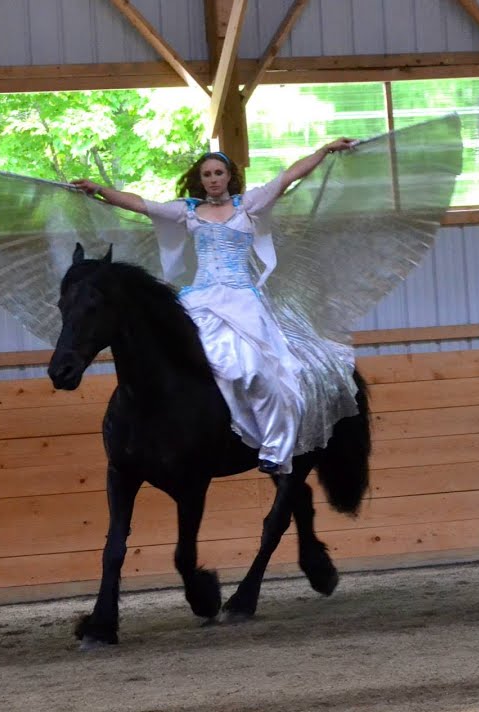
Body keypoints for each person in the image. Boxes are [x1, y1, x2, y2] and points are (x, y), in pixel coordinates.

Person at [71, 138, 358, 477]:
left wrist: (324, 151)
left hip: (242, 300)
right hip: (201, 299)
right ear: (201, 179)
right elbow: (140, 204)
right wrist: (99, 189)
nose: (213, 179)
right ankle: (187, 433)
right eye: (206, 174)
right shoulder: (187, 210)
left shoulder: (248, 204)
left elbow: (288, 176)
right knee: (185, 363)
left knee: (252, 370)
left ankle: (272, 445)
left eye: (218, 172)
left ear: (229, 176)